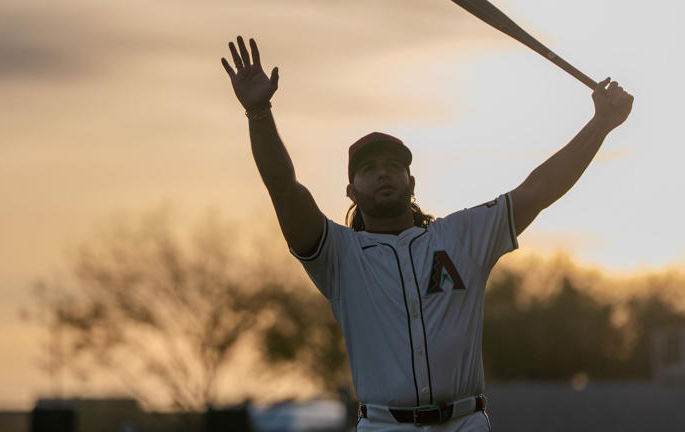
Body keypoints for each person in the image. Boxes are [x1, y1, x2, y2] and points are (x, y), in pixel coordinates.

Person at [220, 35, 633, 431]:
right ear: (350, 191)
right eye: (368, 168)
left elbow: (538, 189)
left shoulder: (462, 235)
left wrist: (601, 124)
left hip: (466, 422)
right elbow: (282, 184)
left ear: (411, 182)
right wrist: (259, 115)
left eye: (393, 165)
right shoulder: (339, 254)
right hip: (383, 425)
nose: (382, 172)